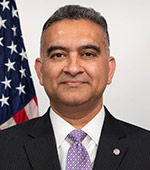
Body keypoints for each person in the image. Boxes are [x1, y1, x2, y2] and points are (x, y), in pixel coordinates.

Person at [0, 5, 150, 170]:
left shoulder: (146, 149)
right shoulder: (4, 149)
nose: (73, 68)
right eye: (59, 55)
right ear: (40, 71)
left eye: (88, 54)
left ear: (110, 69)